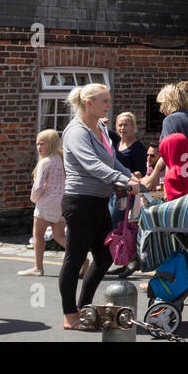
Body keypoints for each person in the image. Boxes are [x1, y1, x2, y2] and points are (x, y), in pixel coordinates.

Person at [59, 82, 142, 331]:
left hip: (99, 201)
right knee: (75, 259)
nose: (109, 105)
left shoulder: (101, 129)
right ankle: (69, 315)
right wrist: (123, 180)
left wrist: (132, 177)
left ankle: (84, 307)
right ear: (89, 103)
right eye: (104, 101)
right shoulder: (76, 131)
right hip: (80, 201)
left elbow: (113, 161)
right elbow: (91, 164)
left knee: (106, 256)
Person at [143, 84, 188, 190]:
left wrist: (155, 177)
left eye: (162, 104)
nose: (161, 109)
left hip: (186, 178)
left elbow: (169, 154)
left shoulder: (171, 120)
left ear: (169, 102)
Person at [19, 129, 67, 276]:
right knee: (59, 235)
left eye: (42, 144)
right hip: (62, 202)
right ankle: (81, 257)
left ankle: (38, 267)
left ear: (51, 144)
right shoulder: (63, 159)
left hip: (46, 202)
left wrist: (33, 199)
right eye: (37, 144)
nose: (39, 147)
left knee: (38, 235)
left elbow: (38, 186)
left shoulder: (45, 162)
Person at [106, 112, 147, 277]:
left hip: (125, 192)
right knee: (115, 225)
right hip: (112, 190)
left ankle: (127, 259)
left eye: (127, 124)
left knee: (116, 225)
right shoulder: (115, 143)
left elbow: (141, 172)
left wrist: (127, 177)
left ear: (134, 127)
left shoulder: (137, 147)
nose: (123, 128)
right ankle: (125, 259)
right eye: (120, 125)